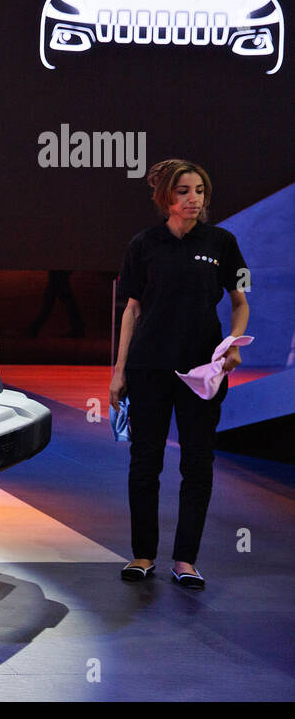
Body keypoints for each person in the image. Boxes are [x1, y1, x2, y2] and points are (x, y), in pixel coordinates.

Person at [109, 159, 250, 589]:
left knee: (198, 463)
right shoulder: (143, 244)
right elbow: (132, 308)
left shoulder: (223, 243)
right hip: (149, 367)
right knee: (145, 461)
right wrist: (118, 371)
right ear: (165, 197)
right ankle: (142, 555)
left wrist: (234, 344)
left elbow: (240, 302)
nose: (194, 199)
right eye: (184, 191)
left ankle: (186, 560)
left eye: (200, 191)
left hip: (203, 371)